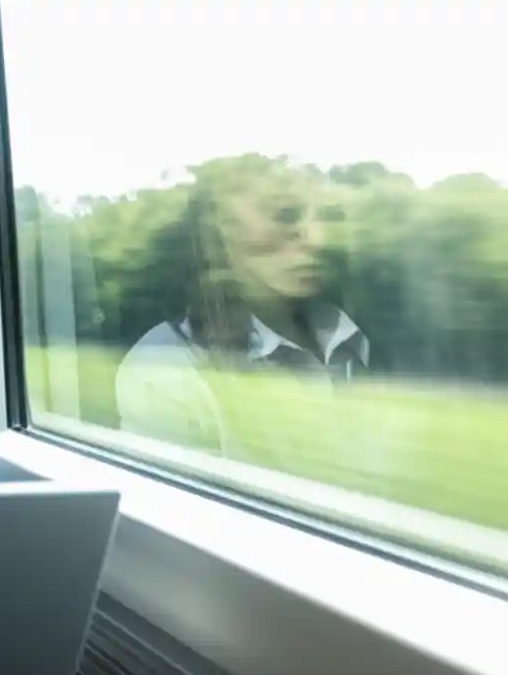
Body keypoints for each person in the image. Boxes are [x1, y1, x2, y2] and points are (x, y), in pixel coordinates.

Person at [115, 155, 370, 455]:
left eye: (331, 216)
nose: (318, 239)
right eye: (285, 214)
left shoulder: (353, 334)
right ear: (216, 231)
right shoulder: (165, 367)